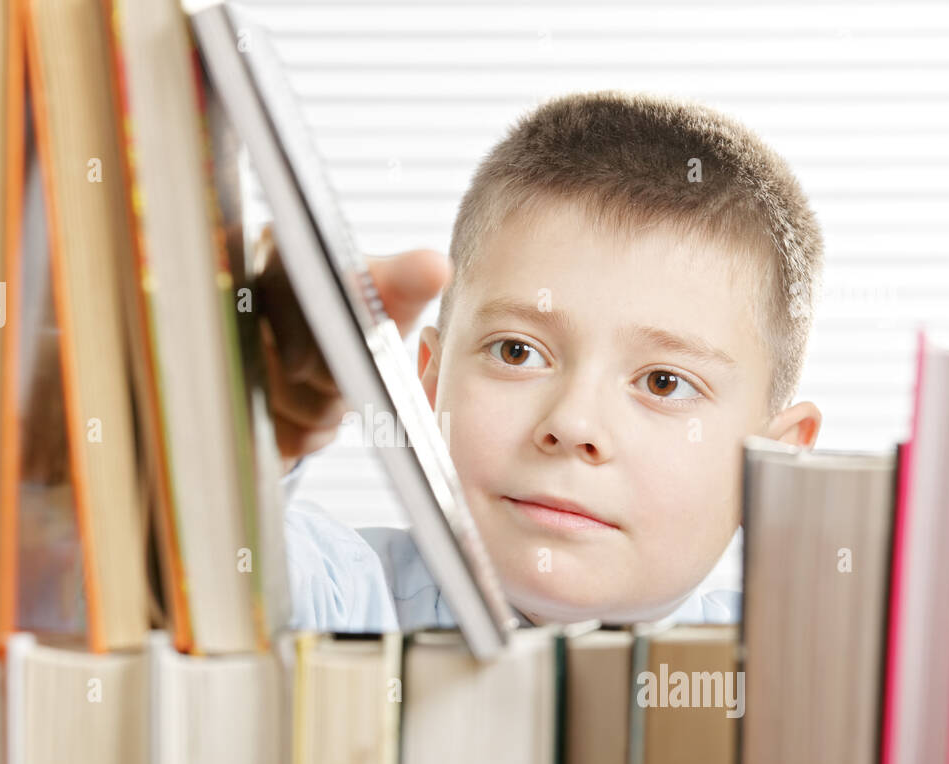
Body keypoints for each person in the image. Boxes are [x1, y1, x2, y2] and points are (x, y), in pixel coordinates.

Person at [259, 91, 824, 633]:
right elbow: (207, 553)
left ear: (773, 466)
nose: (573, 424)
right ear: (430, 384)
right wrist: (255, 439)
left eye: (664, 382)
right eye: (518, 351)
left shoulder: (803, 672)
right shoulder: (337, 597)